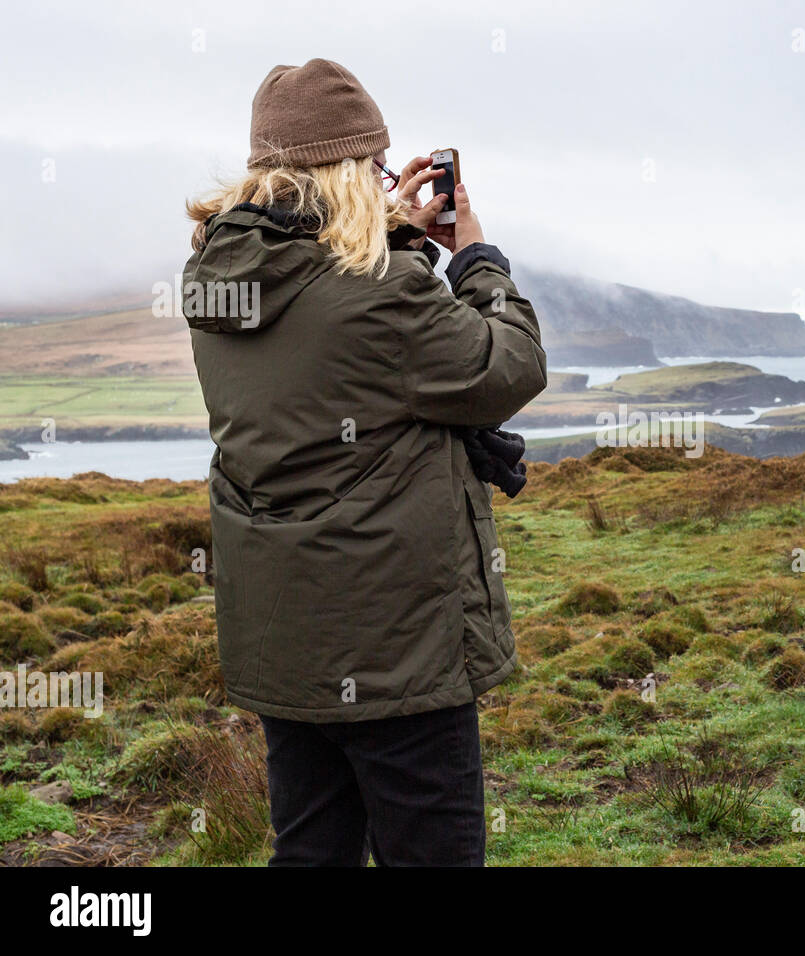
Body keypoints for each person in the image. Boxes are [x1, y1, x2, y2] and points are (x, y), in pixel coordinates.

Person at [181, 58, 546, 866]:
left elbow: (325, 316)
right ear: (351, 173)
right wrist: (476, 261)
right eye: (374, 166)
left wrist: (390, 228)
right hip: (396, 651)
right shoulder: (381, 291)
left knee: (313, 848)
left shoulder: (217, 282)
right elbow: (507, 367)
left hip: (287, 640)